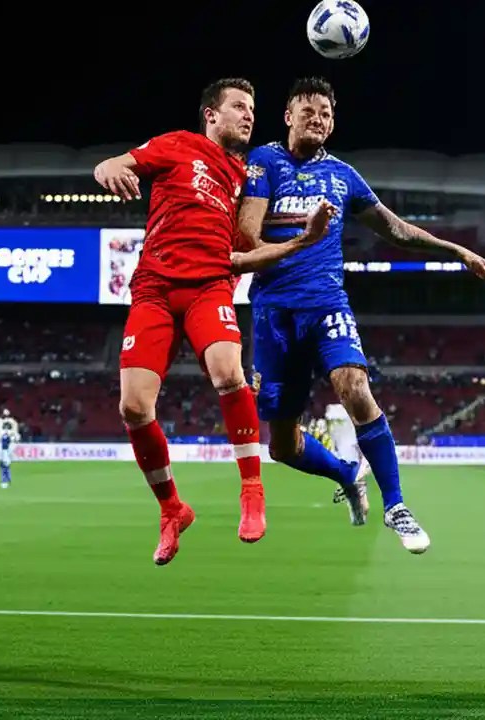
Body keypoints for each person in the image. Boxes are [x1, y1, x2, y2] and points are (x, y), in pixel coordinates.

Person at [238, 77, 485, 554]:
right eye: (309, 109)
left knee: (355, 387)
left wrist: (456, 249)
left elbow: (396, 229)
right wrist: (300, 238)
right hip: (273, 313)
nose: (318, 118)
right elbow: (246, 239)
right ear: (288, 115)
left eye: (327, 113)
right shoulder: (263, 163)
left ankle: (396, 505)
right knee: (281, 446)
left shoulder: (343, 176)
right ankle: (345, 471)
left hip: (326, 305)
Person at [94, 77, 336, 566]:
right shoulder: (177, 145)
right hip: (154, 289)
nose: (249, 115)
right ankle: (172, 511)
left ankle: (252, 491)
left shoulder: (246, 175)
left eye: (252, 108)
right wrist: (108, 170)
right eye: (239, 107)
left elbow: (248, 248)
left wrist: (302, 242)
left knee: (229, 370)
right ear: (211, 114)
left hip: (210, 286)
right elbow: (117, 163)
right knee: (133, 408)